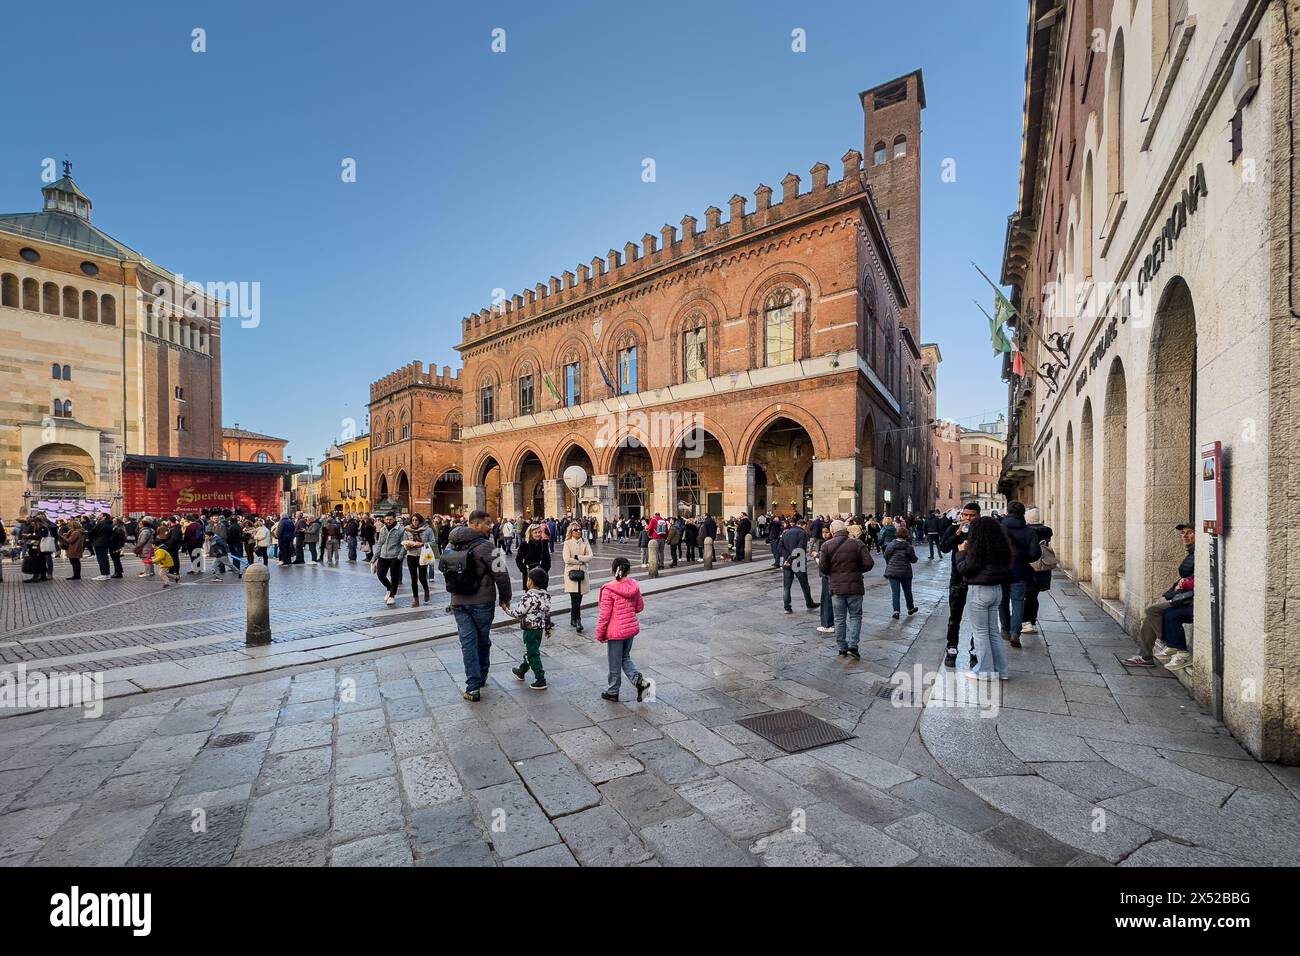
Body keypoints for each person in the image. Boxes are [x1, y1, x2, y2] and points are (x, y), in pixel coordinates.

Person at [444, 511, 512, 702]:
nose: (490, 526)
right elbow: (502, 574)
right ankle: (481, 677)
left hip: (458, 601)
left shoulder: (450, 544)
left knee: (468, 644)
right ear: (475, 524)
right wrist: (505, 598)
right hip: (483, 602)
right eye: (487, 523)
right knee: (482, 640)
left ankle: (472, 688)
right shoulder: (489, 546)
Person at [1126, 523, 1196, 669]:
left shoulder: (1198, 554)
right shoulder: (1192, 553)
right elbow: (1182, 581)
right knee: (1150, 613)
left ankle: (1172, 645)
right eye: (1183, 533)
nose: (1185, 536)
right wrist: (1168, 594)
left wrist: (1174, 592)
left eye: (1190, 532)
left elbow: (1191, 581)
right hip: (1184, 597)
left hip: (1190, 601)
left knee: (1153, 611)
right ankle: (1146, 655)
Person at [955, 516, 1014, 681]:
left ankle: (984, 671)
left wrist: (961, 553)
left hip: (980, 590)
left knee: (980, 632)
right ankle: (1001, 670)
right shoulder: (1000, 548)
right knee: (993, 631)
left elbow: (965, 568)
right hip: (997, 590)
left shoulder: (978, 548)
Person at [595, 557, 652, 702]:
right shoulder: (634, 585)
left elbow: (604, 615)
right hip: (630, 629)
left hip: (616, 632)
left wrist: (600, 634)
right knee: (625, 657)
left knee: (614, 661)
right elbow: (639, 607)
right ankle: (639, 682)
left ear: (613, 569)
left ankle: (613, 691)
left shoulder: (608, 588)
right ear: (628, 570)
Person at [817, 519, 875, 658]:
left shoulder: (826, 546)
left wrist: (834, 572)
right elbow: (869, 563)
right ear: (845, 530)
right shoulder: (857, 543)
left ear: (832, 531)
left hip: (837, 587)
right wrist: (856, 570)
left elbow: (823, 568)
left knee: (839, 618)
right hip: (855, 586)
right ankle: (853, 646)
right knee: (855, 616)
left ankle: (842, 647)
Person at [939, 502, 980, 669]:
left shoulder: (981, 531)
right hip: (957, 579)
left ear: (978, 516)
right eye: (965, 515)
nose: (968, 518)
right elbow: (944, 548)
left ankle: (974, 650)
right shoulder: (953, 529)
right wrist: (957, 534)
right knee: (954, 617)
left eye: (972, 515)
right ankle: (952, 648)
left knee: (977, 619)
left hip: (976, 579)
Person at [509, 566, 552, 690]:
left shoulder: (528, 597)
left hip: (529, 630)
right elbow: (547, 614)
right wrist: (548, 628)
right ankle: (521, 671)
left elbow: (518, 613)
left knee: (532, 654)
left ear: (531, 581)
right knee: (530, 651)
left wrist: (506, 609)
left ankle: (540, 678)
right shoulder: (545, 596)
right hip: (539, 629)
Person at [1019, 507, 1055, 633]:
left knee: (1025, 596)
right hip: (1043, 569)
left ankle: (1025, 622)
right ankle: (1032, 622)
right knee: (1034, 597)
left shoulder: (1027, 532)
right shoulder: (1047, 532)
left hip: (1031, 568)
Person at [779, 517, 816, 614]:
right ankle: (809, 603)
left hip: (787, 562)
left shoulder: (785, 532)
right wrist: (791, 558)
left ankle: (787, 607)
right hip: (798, 562)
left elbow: (780, 547)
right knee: (804, 585)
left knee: (786, 586)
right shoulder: (802, 533)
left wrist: (787, 558)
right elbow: (800, 549)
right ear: (804, 525)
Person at [562, 521, 594, 632]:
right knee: (574, 597)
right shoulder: (567, 543)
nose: (578, 531)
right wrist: (581, 561)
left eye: (580, 529)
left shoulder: (585, 542)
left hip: (582, 574)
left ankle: (573, 617)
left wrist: (577, 557)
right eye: (576, 530)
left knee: (579, 598)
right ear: (571, 531)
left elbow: (590, 556)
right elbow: (566, 559)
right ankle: (578, 620)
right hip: (571, 574)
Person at [883, 528, 919, 619]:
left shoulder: (891, 545)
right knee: (907, 591)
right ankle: (910, 608)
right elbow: (914, 560)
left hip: (893, 572)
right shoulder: (909, 547)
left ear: (897, 534)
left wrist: (890, 563)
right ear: (906, 535)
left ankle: (896, 611)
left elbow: (886, 556)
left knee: (895, 593)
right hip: (905, 572)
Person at [401, 513, 434, 607]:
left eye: (416, 520)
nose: (415, 522)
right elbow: (404, 542)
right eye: (413, 520)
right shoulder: (407, 530)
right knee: (413, 578)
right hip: (411, 555)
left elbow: (433, 542)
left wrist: (423, 544)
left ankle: (426, 590)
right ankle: (416, 600)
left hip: (422, 555)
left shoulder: (428, 530)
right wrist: (407, 545)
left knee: (422, 577)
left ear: (420, 520)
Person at [515, 521, 552, 589]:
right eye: (535, 532)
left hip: (542, 573)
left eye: (539, 532)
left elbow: (547, 557)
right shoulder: (525, 544)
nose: (538, 534)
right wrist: (523, 569)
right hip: (529, 573)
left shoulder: (544, 543)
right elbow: (518, 558)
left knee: (542, 595)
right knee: (530, 596)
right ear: (531, 533)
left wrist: (546, 568)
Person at [814, 524, 835, 634]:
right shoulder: (836, 543)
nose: (824, 534)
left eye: (827, 532)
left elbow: (823, 564)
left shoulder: (826, 544)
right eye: (823, 532)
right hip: (836, 575)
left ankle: (827, 624)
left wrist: (816, 557)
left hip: (827, 575)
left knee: (826, 599)